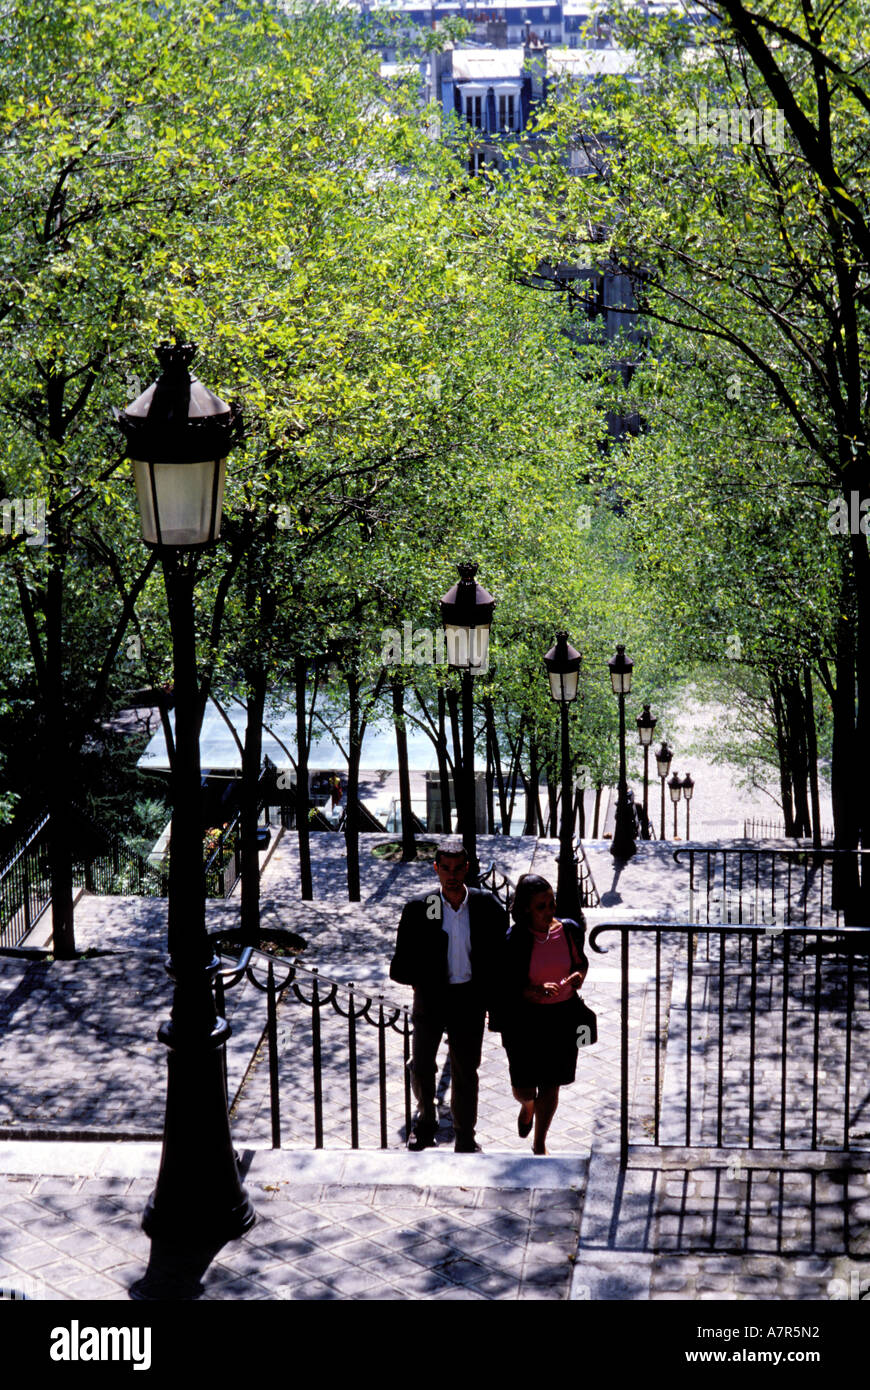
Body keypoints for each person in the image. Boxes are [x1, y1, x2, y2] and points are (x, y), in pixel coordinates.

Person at [389, 838, 508, 1153]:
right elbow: (400, 966)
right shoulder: (421, 907)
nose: (452, 875)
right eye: (445, 869)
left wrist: (491, 1003)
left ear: (466, 869)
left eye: (457, 869)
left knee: (466, 1070)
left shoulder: (487, 906)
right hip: (431, 999)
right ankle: (426, 1123)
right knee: (421, 1065)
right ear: (436, 869)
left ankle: (465, 1134)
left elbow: (500, 961)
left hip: (469, 1001)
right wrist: (426, 978)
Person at [498, 873, 589, 1155]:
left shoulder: (569, 929)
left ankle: (539, 1144)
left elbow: (580, 963)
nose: (549, 911)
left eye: (552, 903)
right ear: (525, 908)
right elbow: (505, 983)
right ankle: (527, 1107)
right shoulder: (515, 939)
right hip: (524, 1022)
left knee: (552, 1084)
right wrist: (533, 991)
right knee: (524, 1088)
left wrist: (578, 976)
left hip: (562, 1017)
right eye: (542, 906)